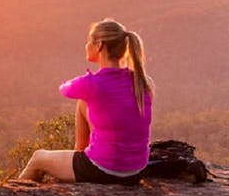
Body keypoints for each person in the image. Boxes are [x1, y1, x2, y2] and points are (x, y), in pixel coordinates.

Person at [14, 19, 154, 185]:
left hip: (104, 170)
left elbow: (64, 89)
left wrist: (86, 82)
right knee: (86, 103)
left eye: (89, 41)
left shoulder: (91, 84)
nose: (86, 46)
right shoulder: (142, 82)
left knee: (38, 158)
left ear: (99, 45)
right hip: (136, 170)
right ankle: (80, 156)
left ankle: (14, 195)